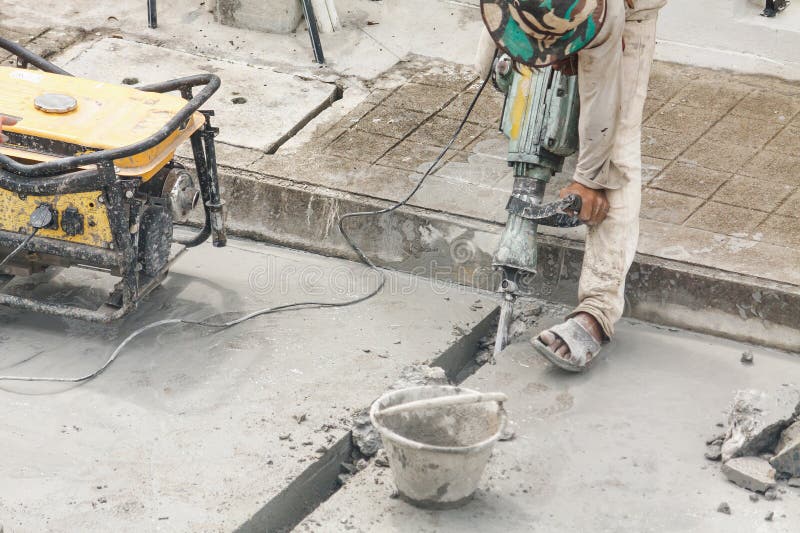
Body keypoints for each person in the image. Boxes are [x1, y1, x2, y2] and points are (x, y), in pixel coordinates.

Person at [477, 0, 666, 372]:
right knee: (490, 69)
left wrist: (589, 180)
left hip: (628, 9)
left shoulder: (607, 19)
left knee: (617, 153)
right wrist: (514, 46)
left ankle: (597, 311)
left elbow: (603, 98)